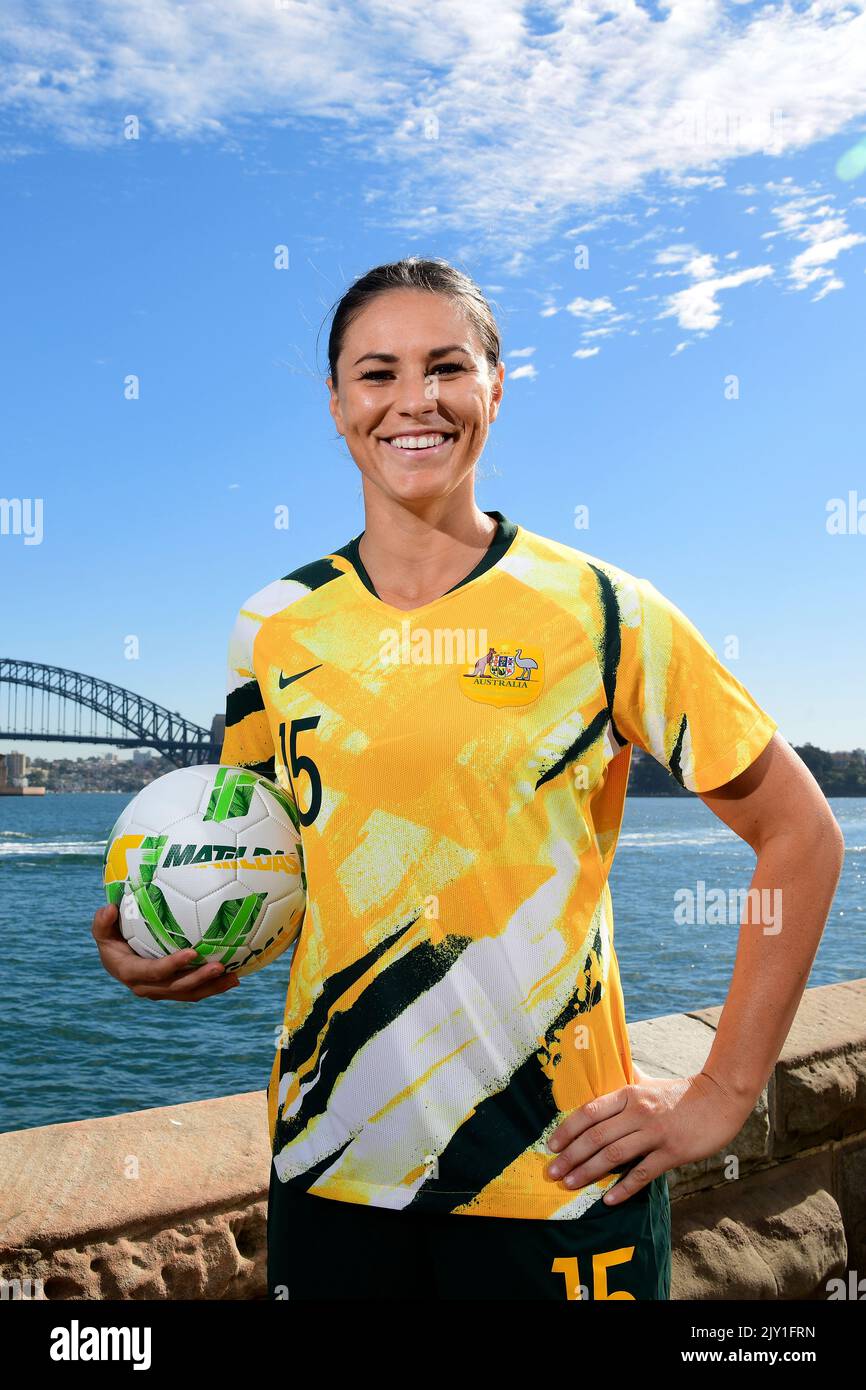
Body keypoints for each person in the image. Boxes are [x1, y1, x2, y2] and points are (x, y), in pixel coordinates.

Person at [92, 256, 844, 1302]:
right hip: (328, 1170)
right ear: (335, 404)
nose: (414, 400)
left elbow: (799, 835)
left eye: (446, 366)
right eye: (376, 372)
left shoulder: (603, 610)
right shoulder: (272, 626)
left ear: (495, 385)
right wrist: (185, 946)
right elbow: (264, 865)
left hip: (559, 1175)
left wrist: (723, 1089)